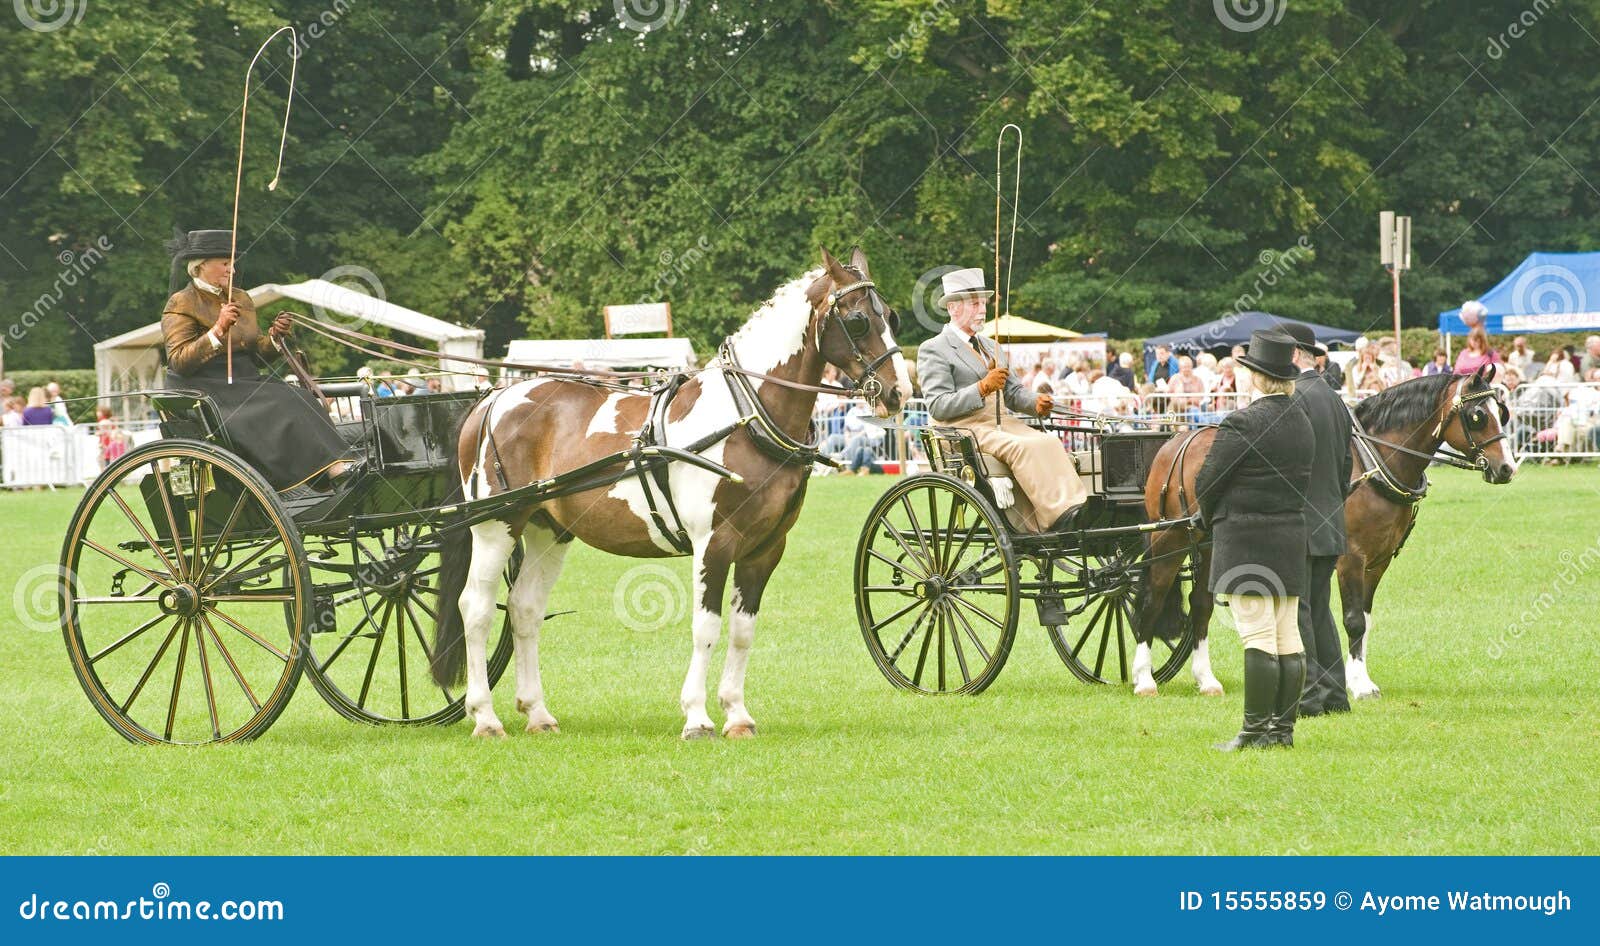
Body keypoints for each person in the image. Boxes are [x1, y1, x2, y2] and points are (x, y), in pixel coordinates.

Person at [160, 228, 357, 491]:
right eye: (224, 263)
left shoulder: (240, 297)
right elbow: (179, 361)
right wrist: (217, 331)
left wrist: (275, 339)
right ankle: (334, 469)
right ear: (201, 266)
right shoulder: (182, 302)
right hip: (206, 389)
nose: (231, 270)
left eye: (232, 263)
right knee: (284, 400)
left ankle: (331, 468)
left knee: (301, 396)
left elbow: (254, 352)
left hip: (244, 380)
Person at [1194, 329, 1314, 751]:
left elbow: (1208, 481)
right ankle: (1281, 732)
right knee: (1287, 637)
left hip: (1246, 539)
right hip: (1289, 536)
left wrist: (1205, 518)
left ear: (1258, 378)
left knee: (1258, 636)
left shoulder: (1242, 422)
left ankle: (1253, 731)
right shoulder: (1301, 419)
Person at [915, 267, 1087, 532]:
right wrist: (981, 388)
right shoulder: (934, 349)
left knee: (1049, 441)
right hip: (964, 430)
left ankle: (1075, 506)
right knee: (1024, 447)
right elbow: (938, 405)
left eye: (984, 302)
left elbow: (1013, 392)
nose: (982, 309)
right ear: (953, 308)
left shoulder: (991, 346)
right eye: (975, 303)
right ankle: (1056, 517)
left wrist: (1035, 402)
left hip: (1002, 424)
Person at [1282, 323, 1353, 718]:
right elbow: (1345, 464)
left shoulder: (1297, 398)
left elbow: (1292, 465)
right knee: (1320, 610)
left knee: (1302, 610)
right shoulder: (1333, 397)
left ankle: (1308, 697)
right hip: (1330, 518)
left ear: (1294, 355)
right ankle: (1334, 693)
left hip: (1302, 521)